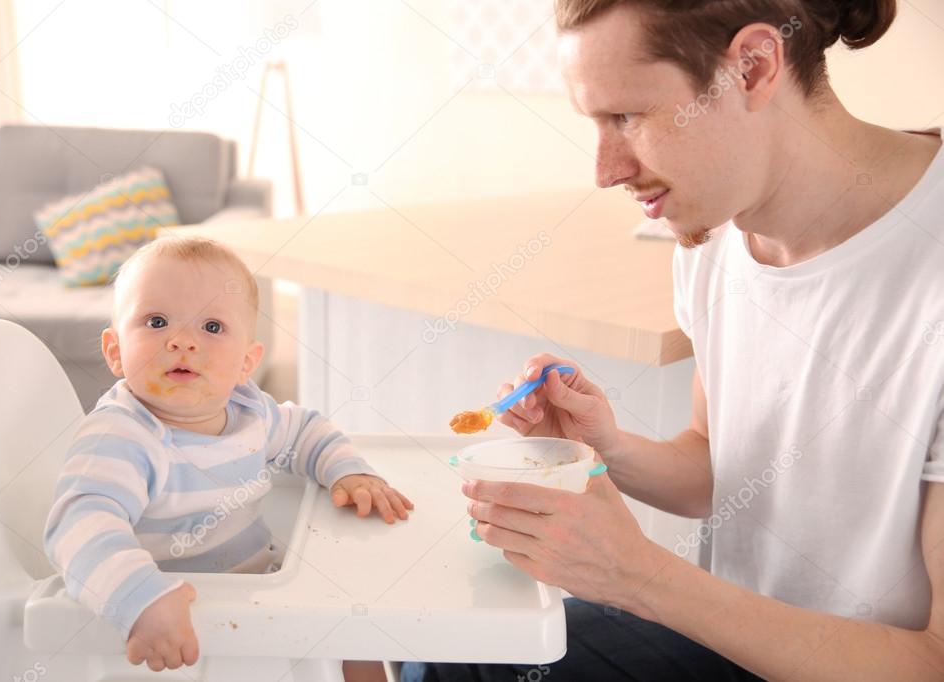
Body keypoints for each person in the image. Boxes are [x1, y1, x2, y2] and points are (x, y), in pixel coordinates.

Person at [404, 0, 943, 679]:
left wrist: (638, 576)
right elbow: (719, 467)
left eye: (626, 117)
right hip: (732, 643)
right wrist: (608, 448)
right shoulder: (715, 233)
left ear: (750, 67)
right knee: (448, 642)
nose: (604, 170)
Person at [43, 236, 410, 681]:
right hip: (185, 627)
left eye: (212, 327)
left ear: (245, 363)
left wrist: (347, 471)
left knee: (358, 632)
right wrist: (141, 598)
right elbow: (77, 525)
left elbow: (306, 428)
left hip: (261, 588)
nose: (182, 342)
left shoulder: (247, 412)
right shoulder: (121, 437)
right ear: (115, 351)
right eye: (156, 322)